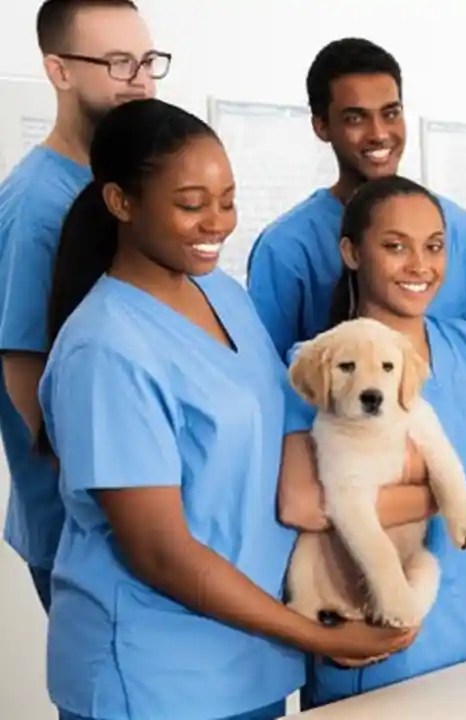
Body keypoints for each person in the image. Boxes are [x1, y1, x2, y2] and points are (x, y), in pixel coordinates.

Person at [37, 98, 415, 720]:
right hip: (157, 676)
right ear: (120, 202)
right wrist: (318, 638)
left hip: (251, 663)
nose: (217, 222)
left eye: (227, 201)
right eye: (191, 204)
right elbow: (160, 552)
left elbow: (293, 414)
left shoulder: (224, 295)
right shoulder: (106, 349)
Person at [277, 175, 466, 709]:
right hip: (377, 642)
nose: (419, 265)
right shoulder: (319, 362)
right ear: (351, 252)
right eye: (395, 247)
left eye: (434, 247)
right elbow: (302, 505)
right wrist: (438, 495)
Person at [0, 0, 166, 613]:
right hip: (84, 527)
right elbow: (26, 376)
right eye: (119, 63)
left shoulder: (114, 185)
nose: (142, 80)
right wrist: (114, 491)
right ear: (58, 71)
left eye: (148, 61)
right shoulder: (37, 204)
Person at [246, 37, 466, 360]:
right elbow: (268, 378)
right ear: (321, 126)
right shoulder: (286, 248)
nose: (378, 133)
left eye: (391, 114)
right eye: (355, 118)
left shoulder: (460, 229)